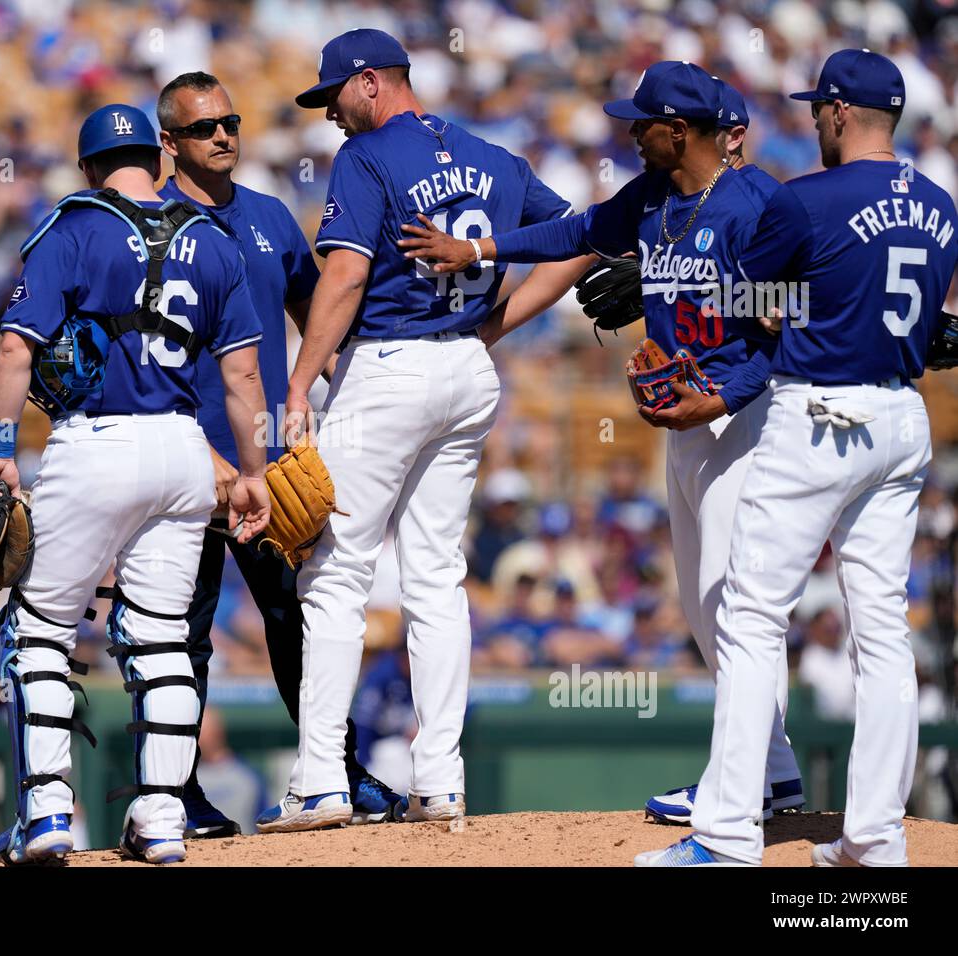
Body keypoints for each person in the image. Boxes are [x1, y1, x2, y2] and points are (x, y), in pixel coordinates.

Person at [398, 61, 805, 827]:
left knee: (734, 607)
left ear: (679, 131)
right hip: (686, 424)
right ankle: (774, 772)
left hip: (743, 422)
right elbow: (581, 230)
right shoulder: (654, 196)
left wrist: (726, 394)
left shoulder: (761, 205)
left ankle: (741, 782)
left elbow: (793, 325)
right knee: (701, 602)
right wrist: (479, 252)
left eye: (642, 122)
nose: (630, 132)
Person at [637, 49, 958, 867]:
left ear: (843, 114)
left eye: (821, 107)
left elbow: (732, 292)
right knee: (882, 632)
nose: (816, 118)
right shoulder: (940, 202)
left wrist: (646, 277)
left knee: (749, 618)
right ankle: (877, 841)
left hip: (820, 415)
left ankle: (727, 836)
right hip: (901, 416)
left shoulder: (807, 197)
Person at [256, 29, 576, 832]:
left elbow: (347, 271)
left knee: (333, 573)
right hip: (466, 369)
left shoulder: (368, 158)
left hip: (389, 369)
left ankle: (322, 781)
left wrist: (299, 382)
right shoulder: (495, 157)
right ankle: (441, 781)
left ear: (371, 83)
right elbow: (580, 238)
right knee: (435, 577)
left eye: (334, 95)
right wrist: (494, 325)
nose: (329, 114)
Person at [0, 104, 270, 866]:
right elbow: (242, 375)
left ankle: (46, 815)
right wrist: (253, 475)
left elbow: (15, 348)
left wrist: (2, 448)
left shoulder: (71, 225)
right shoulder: (211, 239)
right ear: (156, 155)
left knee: (36, 629)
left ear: (88, 168)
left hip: (94, 443)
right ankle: (163, 820)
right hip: (182, 449)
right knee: (163, 639)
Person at [155, 70, 404, 836]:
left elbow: (313, 313)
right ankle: (178, 792)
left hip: (270, 462)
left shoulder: (266, 215)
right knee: (182, 630)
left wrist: (351, 398)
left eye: (229, 121)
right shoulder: (151, 227)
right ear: (170, 143)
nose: (223, 134)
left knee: (299, 613)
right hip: (183, 454)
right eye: (203, 127)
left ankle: (336, 769)